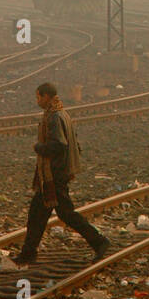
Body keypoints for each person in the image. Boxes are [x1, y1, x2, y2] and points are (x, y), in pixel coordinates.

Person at [16, 81, 109, 264]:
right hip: (55, 174)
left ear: (46, 96)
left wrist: (40, 148)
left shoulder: (54, 117)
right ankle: (28, 253)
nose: (37, 101)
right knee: (38, 213)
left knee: (65, 214)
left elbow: (59, 144)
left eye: (39, 97)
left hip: (54, 175)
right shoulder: (61, 113)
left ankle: (100, 242)